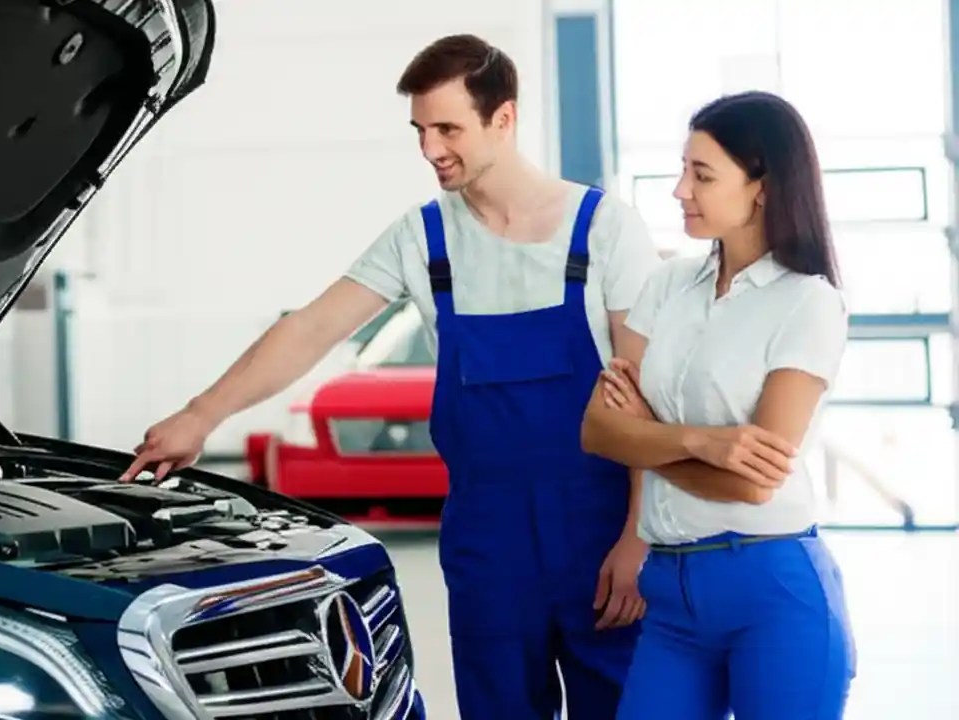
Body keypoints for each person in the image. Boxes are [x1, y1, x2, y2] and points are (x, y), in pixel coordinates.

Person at [123, 34, 663, 719]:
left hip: (600, 531)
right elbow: (311, 328)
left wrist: (639, 537)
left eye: (448, 128)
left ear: (504, 118)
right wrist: (202, 415)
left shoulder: (605, 229)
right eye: (419, 130)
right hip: (487, 543)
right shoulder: (424, 238)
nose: (430, 149)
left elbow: (644, 392)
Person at [581, 90, 856, 720]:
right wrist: (698, 441)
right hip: (670, 600)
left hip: (773, 593)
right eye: (684, 169)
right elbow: (597, 429)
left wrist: (646, 434)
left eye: (702, 174)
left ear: (763, 186)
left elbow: (753, 484)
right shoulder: (669, 284)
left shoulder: (808, 303)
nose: (681, 189)